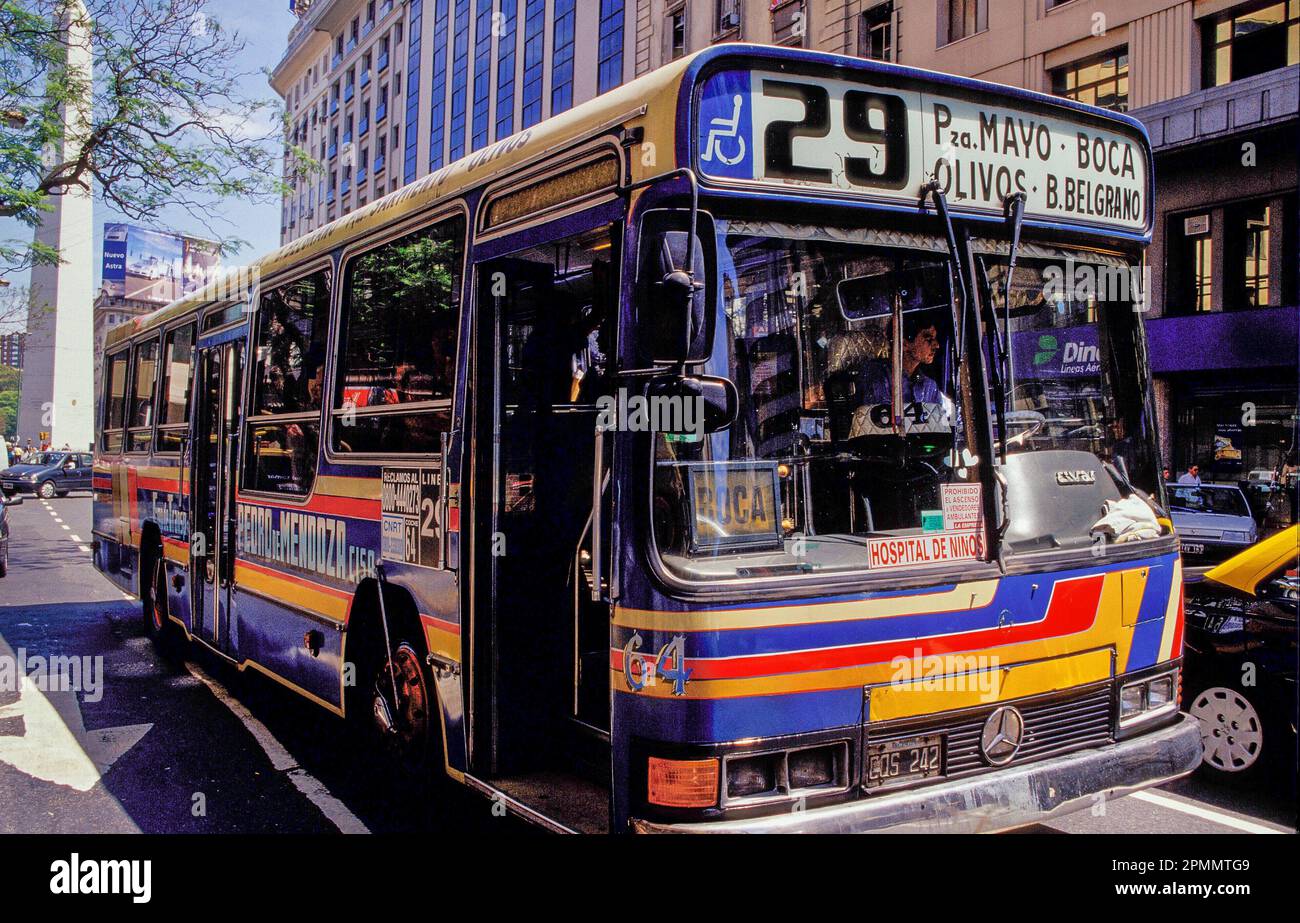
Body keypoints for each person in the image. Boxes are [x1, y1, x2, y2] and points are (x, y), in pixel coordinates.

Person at [857, 311, 947, 408]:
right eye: (928, 339)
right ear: (904, 344)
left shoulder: (930, 386)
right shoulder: (877, 377)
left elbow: (939, 421)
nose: (936, 345)